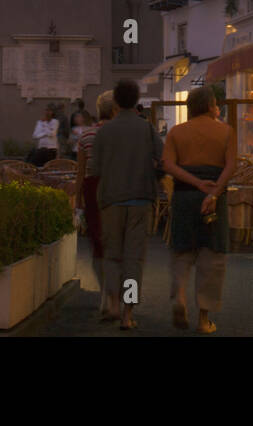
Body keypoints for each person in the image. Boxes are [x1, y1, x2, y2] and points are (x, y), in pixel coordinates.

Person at [162, 85, 236, 334]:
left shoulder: (176, 132)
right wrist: (212, 192)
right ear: (210, 105)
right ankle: (204, 319)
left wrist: (194, 182)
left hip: (184, 196)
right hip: (214, 198)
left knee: (182, 251)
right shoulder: (226, 132)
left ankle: (179, 297)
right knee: (211, 256)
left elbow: (168, 165)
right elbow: (231, 167)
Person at [91, 79, 163, 330]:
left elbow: (94, 169)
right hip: (141, 199)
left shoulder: (104, 132)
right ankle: (127, 314)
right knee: (134, 259)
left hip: (111, 200)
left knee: (112, 256)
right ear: (136, 102)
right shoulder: (146, 129)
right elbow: (163, 160)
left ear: (116, 102)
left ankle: (112, 302)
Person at [75, 92, 115, 317]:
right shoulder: (121, 134)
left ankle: (104, 294)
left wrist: (78, 200)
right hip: (118, 189)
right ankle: (126, 302)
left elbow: (80, 172)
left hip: (92, 189)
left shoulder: (86, 136)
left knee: (98, 244)